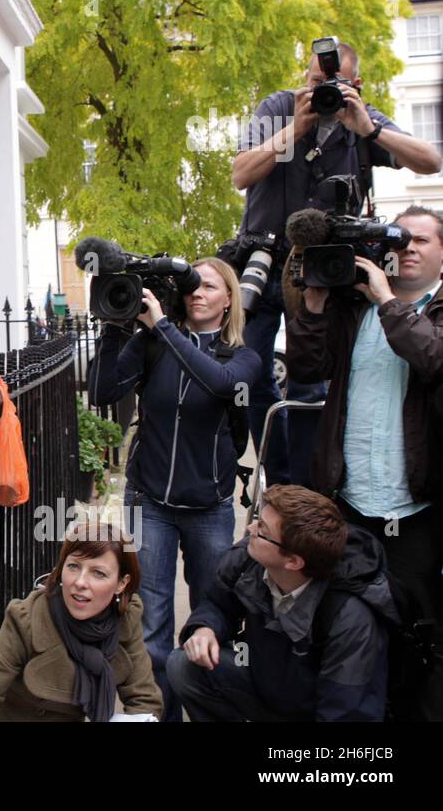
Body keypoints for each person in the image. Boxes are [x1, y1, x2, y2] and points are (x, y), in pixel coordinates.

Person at [231, 40, 440, 489]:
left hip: (325, 270)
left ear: (355, 85)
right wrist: (295, 127)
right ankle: (280, 475)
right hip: (266, 259)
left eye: (334, 85)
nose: (323, 92)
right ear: (304, 77)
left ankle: (308, 489)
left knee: (311, 382)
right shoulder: (279, 107)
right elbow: (241, 173)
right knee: (248, 370)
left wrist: (368, 128)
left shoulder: (360, 117)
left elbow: (430, 161)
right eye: (314, 82)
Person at [285, 205, 443, 719]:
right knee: (352, 631)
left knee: (421, 632)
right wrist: (312, 304)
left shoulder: (430, 310)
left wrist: (386, 300)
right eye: (400, 240)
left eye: (421, 240)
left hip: (417, 506)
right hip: (350, 501)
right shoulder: (354, 310)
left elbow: (433, 359)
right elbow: (306, 367)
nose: (409, 249)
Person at [88, 257, 261, 720]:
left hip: (210, 507)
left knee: (212, 615)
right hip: (150, 502)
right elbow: (102, 392)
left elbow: (219, 384)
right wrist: (114, 327)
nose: (198, 293)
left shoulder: (243, 356)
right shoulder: (153, 343)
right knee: (152, 625)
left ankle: (208, 708)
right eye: (192, 286)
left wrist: (164, 326)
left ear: (229, 300)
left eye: (210, 286)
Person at [168, 484, 396, 721]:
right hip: (268, 686)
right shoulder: (249, 559)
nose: (250, 528)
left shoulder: (350, 618)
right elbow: (218, 604)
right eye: (258, 519)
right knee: (184, 665)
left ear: (294, 562)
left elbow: (345, 711)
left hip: (317, 710)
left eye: (262, 529)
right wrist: (205, 628)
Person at [0, 523, 162, 721]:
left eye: (98, 573)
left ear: (121, 584)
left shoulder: (124, 620)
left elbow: (144, 699)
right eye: (74, 566)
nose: (80, 582)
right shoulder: (28, 619)